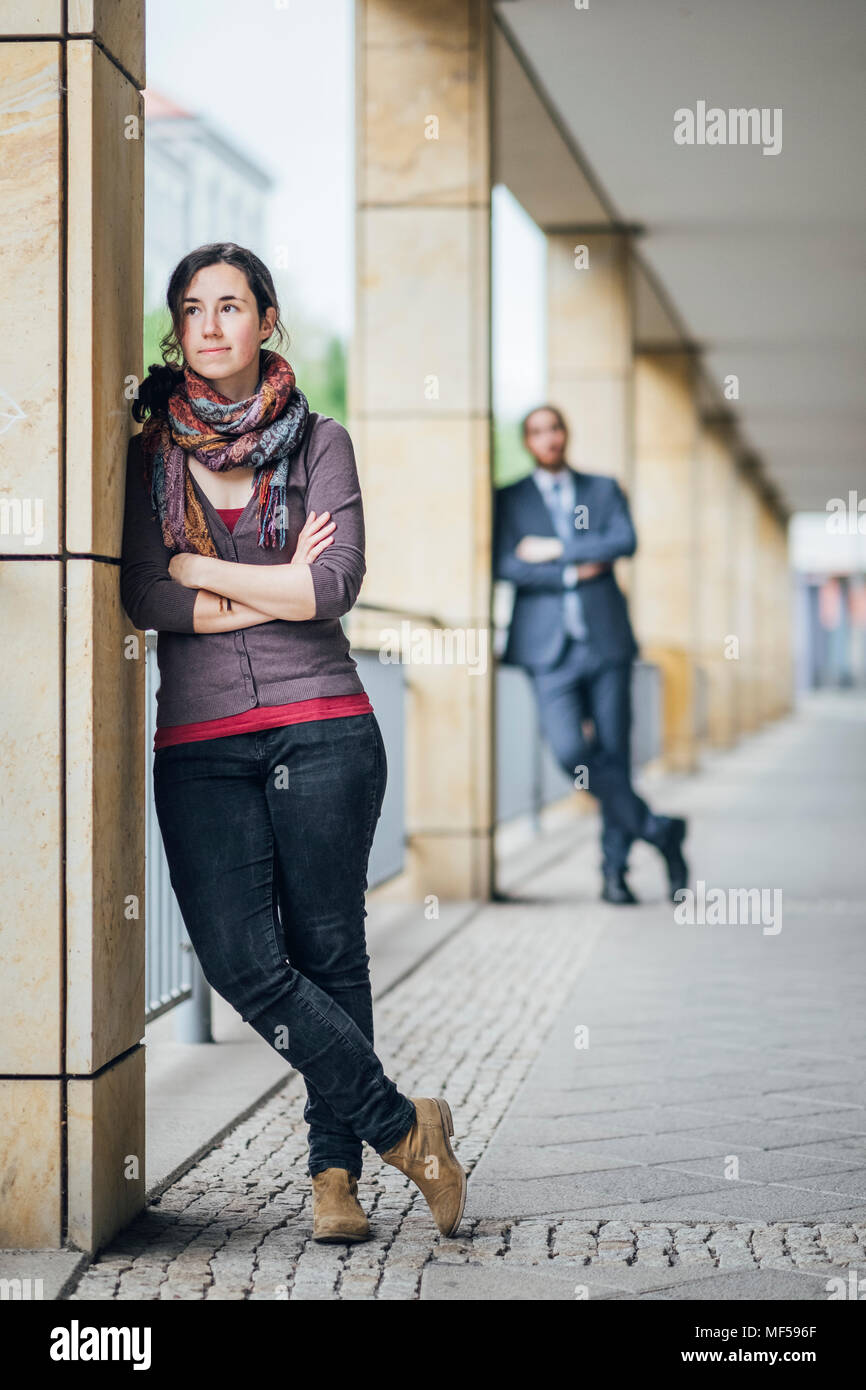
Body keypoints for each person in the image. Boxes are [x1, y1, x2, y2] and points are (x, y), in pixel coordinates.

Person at [120, 242, 466, 1244]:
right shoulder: (149, 456)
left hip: (324, 728)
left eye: (232, 305)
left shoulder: (321, 442)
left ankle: (332, 1176)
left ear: (266, 320)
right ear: (178, 330)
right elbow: (144, 593)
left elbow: (330, 589)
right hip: (200, 741)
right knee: (238, 958)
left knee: (325, 948)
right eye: (193, 309)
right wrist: (246, 588)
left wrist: (203, 568)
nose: (212, 324)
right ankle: (408, 1129)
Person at [493, 404, 689, 905]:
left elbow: (625, 540)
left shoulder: (602, 488)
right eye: (537, 431)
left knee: (616, 758)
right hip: (547, 650)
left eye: (555, 427)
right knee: (571, 752)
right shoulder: (510, 498)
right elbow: (508, 565)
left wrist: (556, 549)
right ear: (527, 441)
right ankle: (659, 829)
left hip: (606, 643)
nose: (549, 438)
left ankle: (613, 874)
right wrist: (577, 565)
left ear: (567, 433)